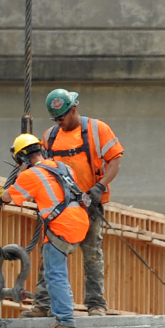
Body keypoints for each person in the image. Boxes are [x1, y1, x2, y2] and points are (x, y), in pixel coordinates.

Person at [35, 88, 124, 316]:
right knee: (50, 255)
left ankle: (96, 305)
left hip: (89, 205)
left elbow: (115, 161)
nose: (59, 122)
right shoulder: (50, 136)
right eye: (55, 119)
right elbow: (44, 169)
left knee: (92, 255)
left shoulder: (97, 129)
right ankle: (43, 304)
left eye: (61, 117)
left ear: (73, 110)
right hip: (60, 210)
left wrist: (99, 186)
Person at [0, 134, 88, 328]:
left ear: (21, 159)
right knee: (53, 268)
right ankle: (50, 309)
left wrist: (0, 192)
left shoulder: (29, 175)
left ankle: (65, 319)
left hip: (61, 224)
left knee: (55, 274)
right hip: (79, 220)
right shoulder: (64, 168)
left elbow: (8, 196)